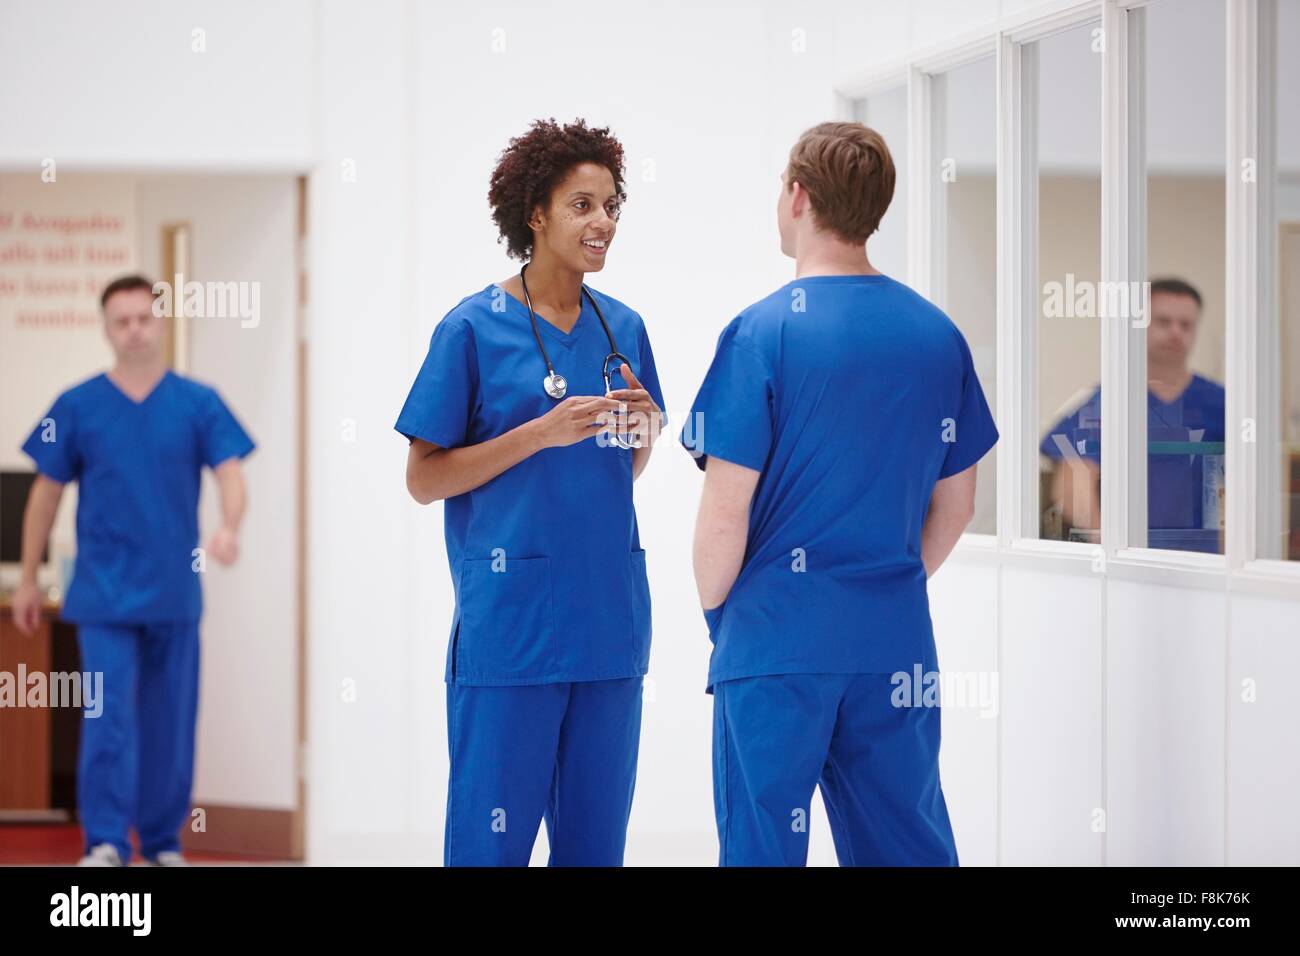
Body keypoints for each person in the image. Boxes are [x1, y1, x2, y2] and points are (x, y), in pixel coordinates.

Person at [679, 122, 998, 867]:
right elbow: (958, 507)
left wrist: (728, 622)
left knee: (763, 848)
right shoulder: (937, 335)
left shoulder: (760, 333)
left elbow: (724, 517)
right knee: (907, 847)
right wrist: (883, 582)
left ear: (796, 196)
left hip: (773, 639)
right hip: (893, 642)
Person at [396, 118, 666, 867]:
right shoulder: (472, 329)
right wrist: (538, 434)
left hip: (608, 628)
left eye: (612, 204)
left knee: (594, 851)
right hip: (511, 635)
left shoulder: (625, 328)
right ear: (536, 214)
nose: (603, 222)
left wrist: (641, 432)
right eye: (582, 205)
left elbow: (619, 472)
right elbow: (424, 478)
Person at [13, 274, 255, 867]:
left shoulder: (198, 402)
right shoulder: (77, 406)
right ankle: (105, 841)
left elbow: (230, 475)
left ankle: (165, 842)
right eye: (121, 321)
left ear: (162, 322)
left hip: (174, 596)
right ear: (106, 330)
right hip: (103, 598)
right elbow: (44, 494)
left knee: (170, 725)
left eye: (144, 317)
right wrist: (25, 577)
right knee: (108, 722)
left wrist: (229, 527)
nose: (135, 329)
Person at [1040, 278, 1225, 552]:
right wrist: (1112, 550)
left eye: (1185, 325)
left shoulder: (1218, 402)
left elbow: (1242, 489)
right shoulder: (1112, 400)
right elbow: (1070, 486)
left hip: (1200, 566)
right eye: (1164, 322)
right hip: (1131, 563)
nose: (1176, 333)